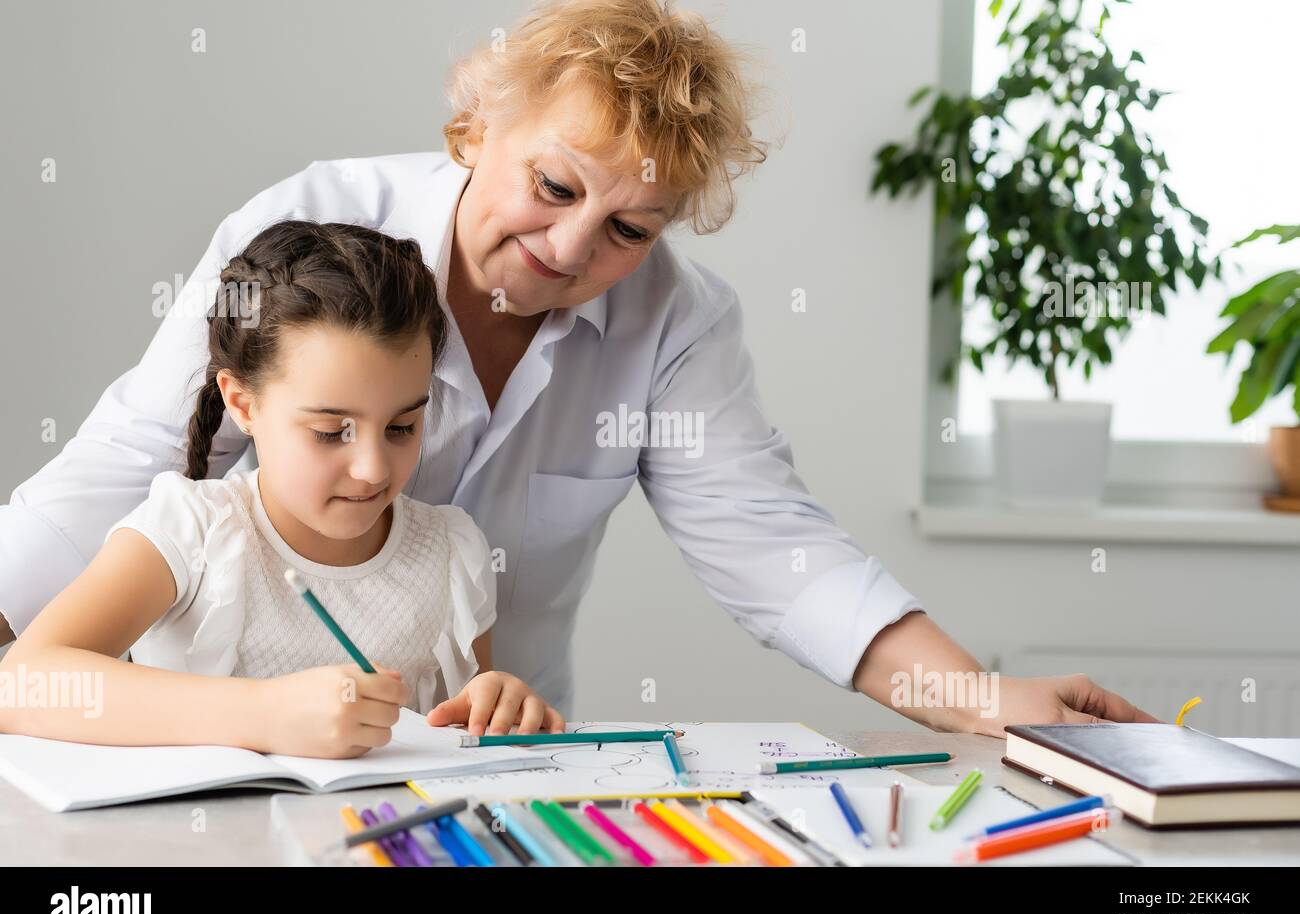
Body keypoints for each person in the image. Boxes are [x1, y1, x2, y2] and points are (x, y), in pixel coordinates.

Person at [0, 0, 1158, 735]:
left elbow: (778, 552)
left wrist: (978, 698)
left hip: (474, 753)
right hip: (214, 749)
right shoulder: (305, 226)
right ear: (472, 133)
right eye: (554, 188)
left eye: (629, 227)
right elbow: (131, 463)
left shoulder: (677, 326)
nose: (568, 249)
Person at [0, 221, 563, 758]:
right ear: (243, 404)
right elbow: (21, 684)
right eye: (330, 431)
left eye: (401, 427)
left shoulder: (454, 551)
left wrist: (499, 703)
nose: (372, 468)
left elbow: (465, 728)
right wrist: (263, 713)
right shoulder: (193, 531)